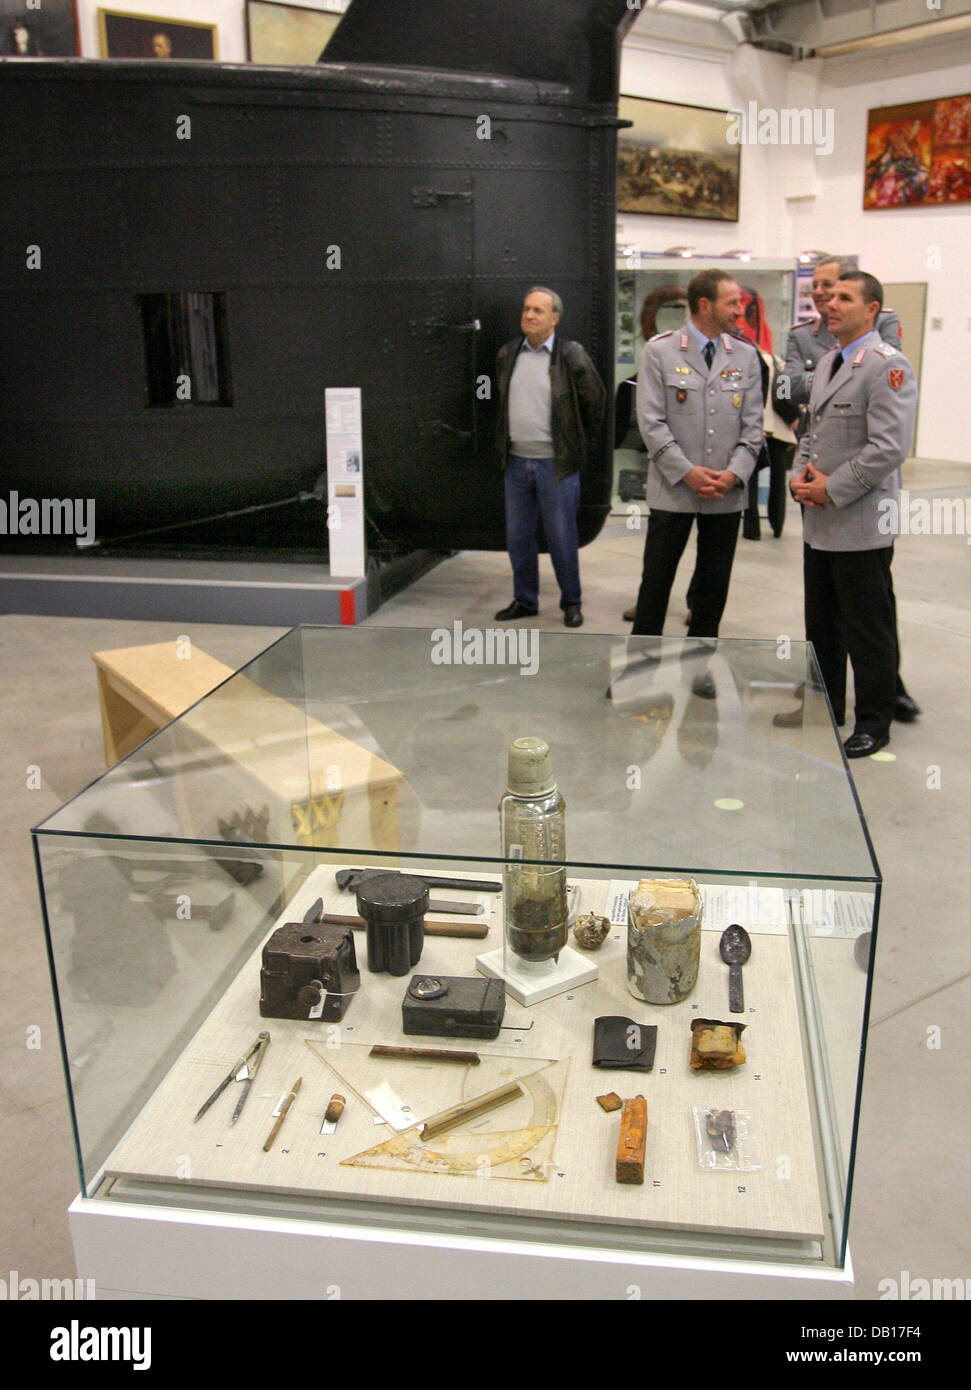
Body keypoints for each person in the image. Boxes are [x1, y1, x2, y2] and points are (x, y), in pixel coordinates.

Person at [782, 270, 918, 758]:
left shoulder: (886, 365)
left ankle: (874, 722)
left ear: (872, 310)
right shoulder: (827, 364)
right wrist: (799, 480)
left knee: (867, 627)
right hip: (819, 521)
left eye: (845, 297)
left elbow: (888, 448)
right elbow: (811, 435)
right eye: (829, 296)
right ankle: (825, 704)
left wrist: (830, 489)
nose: (830, 303)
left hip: (859, 520)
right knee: (821, 623)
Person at [628, 270, 762, 681]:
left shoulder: (745, 355)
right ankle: (638, 670)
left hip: (725, 494)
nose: (740, 310)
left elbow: (753, 428)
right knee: (656, 583)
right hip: (673, 491)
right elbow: (650, 423)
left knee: (712, 589)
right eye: (732, 303)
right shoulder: (661, 352)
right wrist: (686, 473)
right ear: (705, 305)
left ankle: (701, 669)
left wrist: (734, 474)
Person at [494, 287, 605, 627]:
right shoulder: (508, 353)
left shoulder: (571, 356)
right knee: (518, 539)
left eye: (538, 311)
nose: (529, 315)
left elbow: (594, 403)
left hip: (555, 466)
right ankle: (525, 600)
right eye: (526, 309)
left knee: (561, 538)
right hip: (515, 463)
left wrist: (574, 445)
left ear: (554, 318)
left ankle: (571, 603)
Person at [773, 256, 902, 425]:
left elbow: (883, 381)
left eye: (827, 285)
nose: (818, 292)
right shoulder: (800, 335)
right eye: (814, 286)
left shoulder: (883, 322)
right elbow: (785, 390)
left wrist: (815, 379)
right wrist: (841, 379)